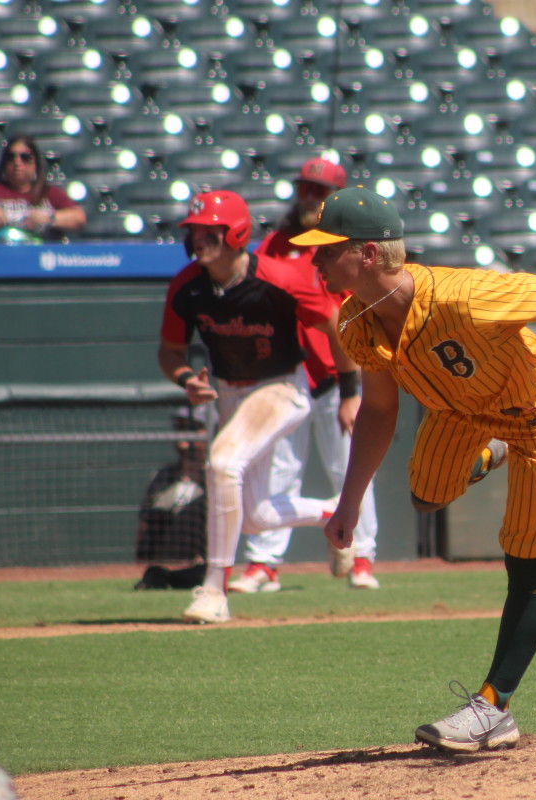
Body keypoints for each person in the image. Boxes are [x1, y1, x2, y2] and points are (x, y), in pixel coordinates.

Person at [296, 186, 536, 752]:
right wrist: (349, 502)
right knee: (425, 494)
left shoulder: (465, 294)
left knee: (526, 561)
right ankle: (493, 449)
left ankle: (494, 707)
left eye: (328, 248)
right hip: (461, 411)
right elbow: (380, 409)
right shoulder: (355, 320)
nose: (316, 258)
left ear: (369, 254)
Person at [157, 189, 361, 624]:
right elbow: (170, 351)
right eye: (193, 231)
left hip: (280, 388)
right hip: (231, 394)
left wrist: (350, 394)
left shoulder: (279, 277)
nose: (198, 239)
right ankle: (337, 515)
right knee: (254, 517)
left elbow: (336, 328)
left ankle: (214, 590)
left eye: (208, 230)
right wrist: (185, 379)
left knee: (222, 464)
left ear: (236, 231)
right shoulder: (187, 286)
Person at [228, 156, 383, 593]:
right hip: (289, 373)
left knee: (351, 467)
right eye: (304, 189)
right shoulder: (274, 245)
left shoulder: (348, 246)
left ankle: (362, 557)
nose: (309, 198)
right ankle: (264, 564)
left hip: (339, 372)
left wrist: (356, 386)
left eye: (319, 191)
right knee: (278, 470)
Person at [133, 406, 211, 591]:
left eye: (193, 430)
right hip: (166, 563)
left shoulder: (224, 476)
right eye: (181, 429)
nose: (185, 441)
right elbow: (145, 527)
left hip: (208, 566)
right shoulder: (164, 476)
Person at [0, 135, 86, 242]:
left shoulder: (49, 193)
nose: (17, 163)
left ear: (35, 164)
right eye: (11, 157)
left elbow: (79, 218)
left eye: (25, 158)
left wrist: (49, 218)